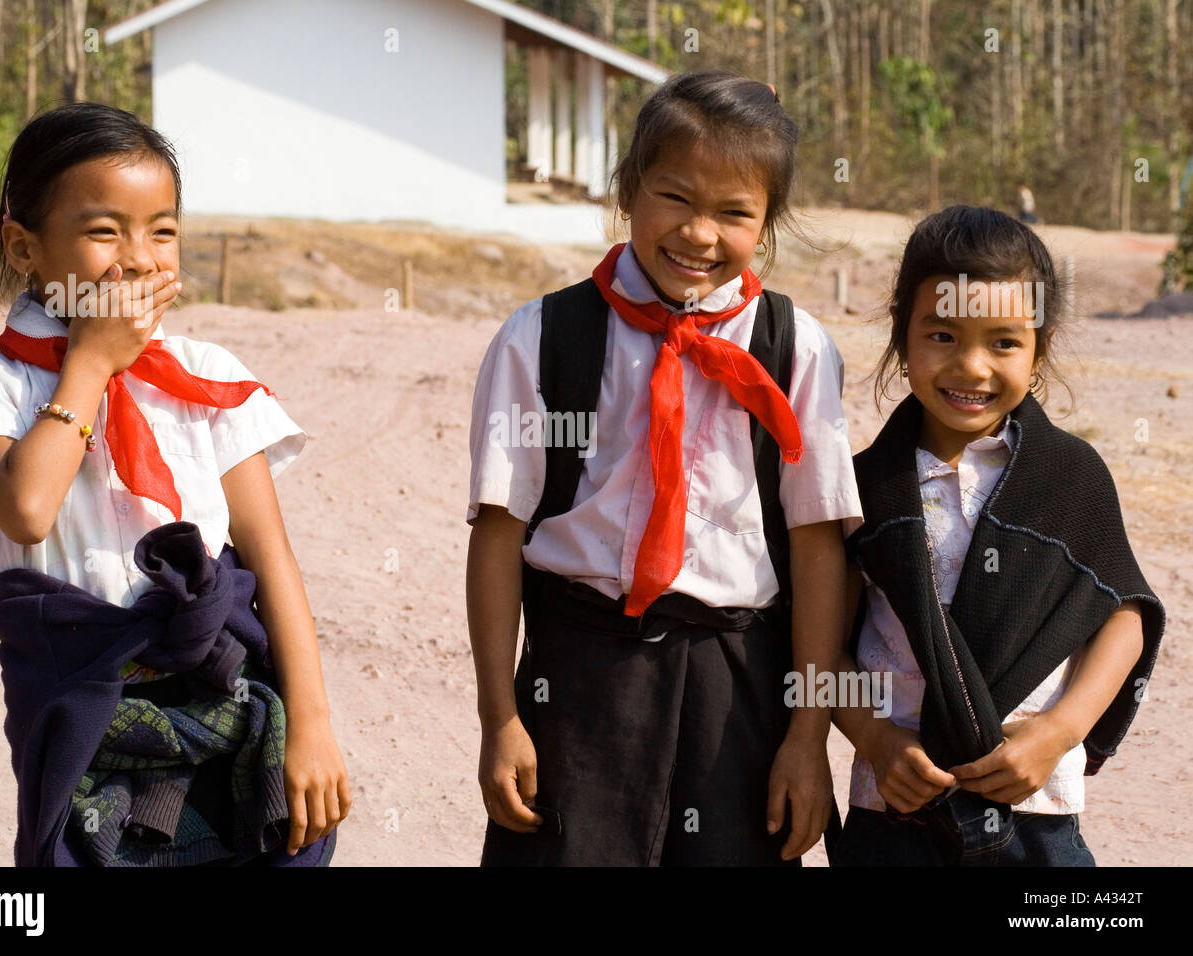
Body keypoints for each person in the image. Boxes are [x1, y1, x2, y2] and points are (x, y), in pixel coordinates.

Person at [0, 102, 350, 866]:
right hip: (83, 713)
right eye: (105, 231)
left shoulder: (208, 378)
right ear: (24, 246)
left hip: (228, 700)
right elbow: (27, 509)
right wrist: (89, 363)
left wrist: (311, 725)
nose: (142, 258)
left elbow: (271, 559)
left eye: (164, 229)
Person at [466, 71, 862, 866]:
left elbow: (820, 549)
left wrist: (809, 735)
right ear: (628, 191)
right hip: (580, 680)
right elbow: (499, 533)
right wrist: (502, 719)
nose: (699, 234)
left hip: (738, 685)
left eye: (734, 213)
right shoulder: (540, 338)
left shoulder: (797, 351)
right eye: (675, 198)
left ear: (768, 224)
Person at [830, 205, 1164, 866]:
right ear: (903, 339)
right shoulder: (865, 487)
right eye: (944, 336)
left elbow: (1122, 613)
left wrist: (1060, 731)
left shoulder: (1069, 478)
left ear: (1039, 348)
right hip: (896, 807)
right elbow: (824, 645)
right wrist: (873, 738)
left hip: (1033, 810)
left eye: (1004, 341)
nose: (973, 367)